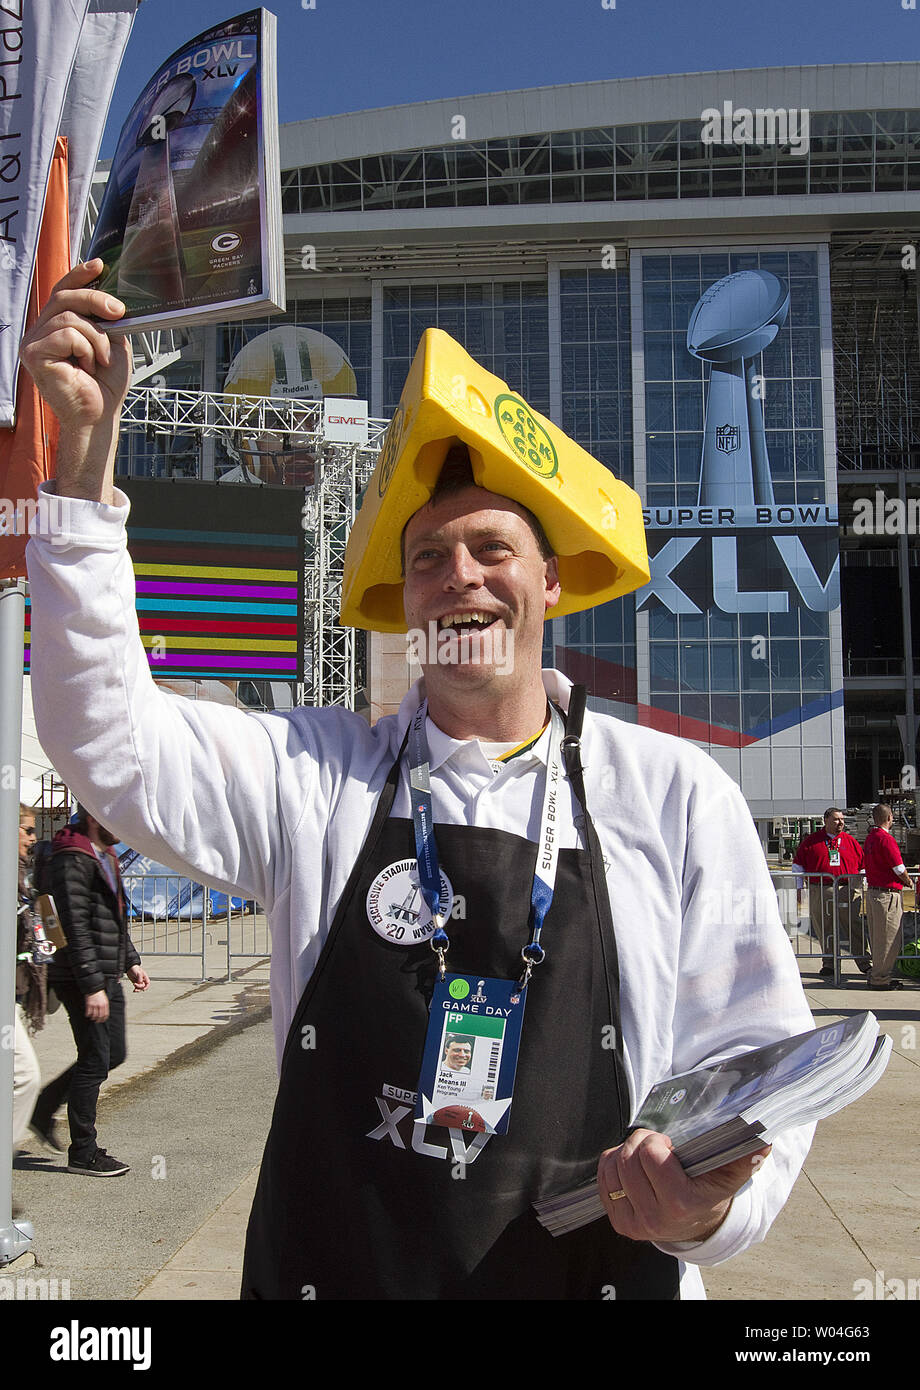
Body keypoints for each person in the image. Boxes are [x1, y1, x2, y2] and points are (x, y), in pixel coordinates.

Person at [20, 262, 816, 1299]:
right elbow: (108, 741)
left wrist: (709, 1204)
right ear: (405, 602)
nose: (461, 579)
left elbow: (756, 1056)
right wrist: (81, 479)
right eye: (429, 558)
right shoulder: (317, 773)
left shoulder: (669, 793)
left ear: (552, 580)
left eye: (493, 548)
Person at [28, 804, 150, 1175]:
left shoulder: (104, 853)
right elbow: (74, 926)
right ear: (96, 816)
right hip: (80, 977)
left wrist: (130, 960)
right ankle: (84, 1151)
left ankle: (45, 1105)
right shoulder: (72, 858)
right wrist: (93, 986)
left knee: (113, 1053)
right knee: (96, 1058)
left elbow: (115, 915)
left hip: (104, 972)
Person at [793, 808, 869, 977]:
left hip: (847, 888)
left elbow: (863, 864)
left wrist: (863, 883)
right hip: (820, 888)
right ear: (825, 820)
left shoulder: (850, 841)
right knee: (824, 926)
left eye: (842, 819)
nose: (840, 822)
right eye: (835, 819)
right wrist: (799, 888)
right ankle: (829, 962)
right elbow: (798, 866)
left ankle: (864, 961)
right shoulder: (811, 842)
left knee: (853, 924)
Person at [12, 805, 44, 1152]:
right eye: (27, 830)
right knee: (25, 1077)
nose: (33, 838)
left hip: (17, 993)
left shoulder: (23, 877)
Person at [863, 803, 913, 992]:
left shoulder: (870, 839)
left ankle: (877, 974)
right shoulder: (886, 839)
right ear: (889, 817)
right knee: (889, 938)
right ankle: (880, 978)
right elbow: (898, 868)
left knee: (878, 937)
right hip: (887, 895)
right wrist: (908, 881)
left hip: (875, 892)